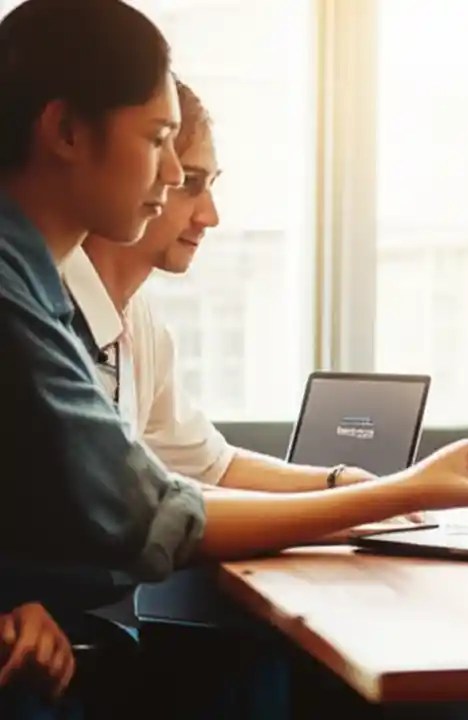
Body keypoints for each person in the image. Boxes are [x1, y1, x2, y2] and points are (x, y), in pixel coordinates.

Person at [0, 0, 468, 626]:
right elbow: (152, 514)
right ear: (66, 131)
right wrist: (402, 491)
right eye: (156, 141)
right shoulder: (19, 301)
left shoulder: (43, 287)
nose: (172, 174)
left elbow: (189, 474)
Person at [63, 78, 407, 498]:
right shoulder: (45, 312)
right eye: (189, 183)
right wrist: (354, 508)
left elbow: (213, 468)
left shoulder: (139, 319)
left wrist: (343, 485)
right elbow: (153, 510)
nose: (210, 216)